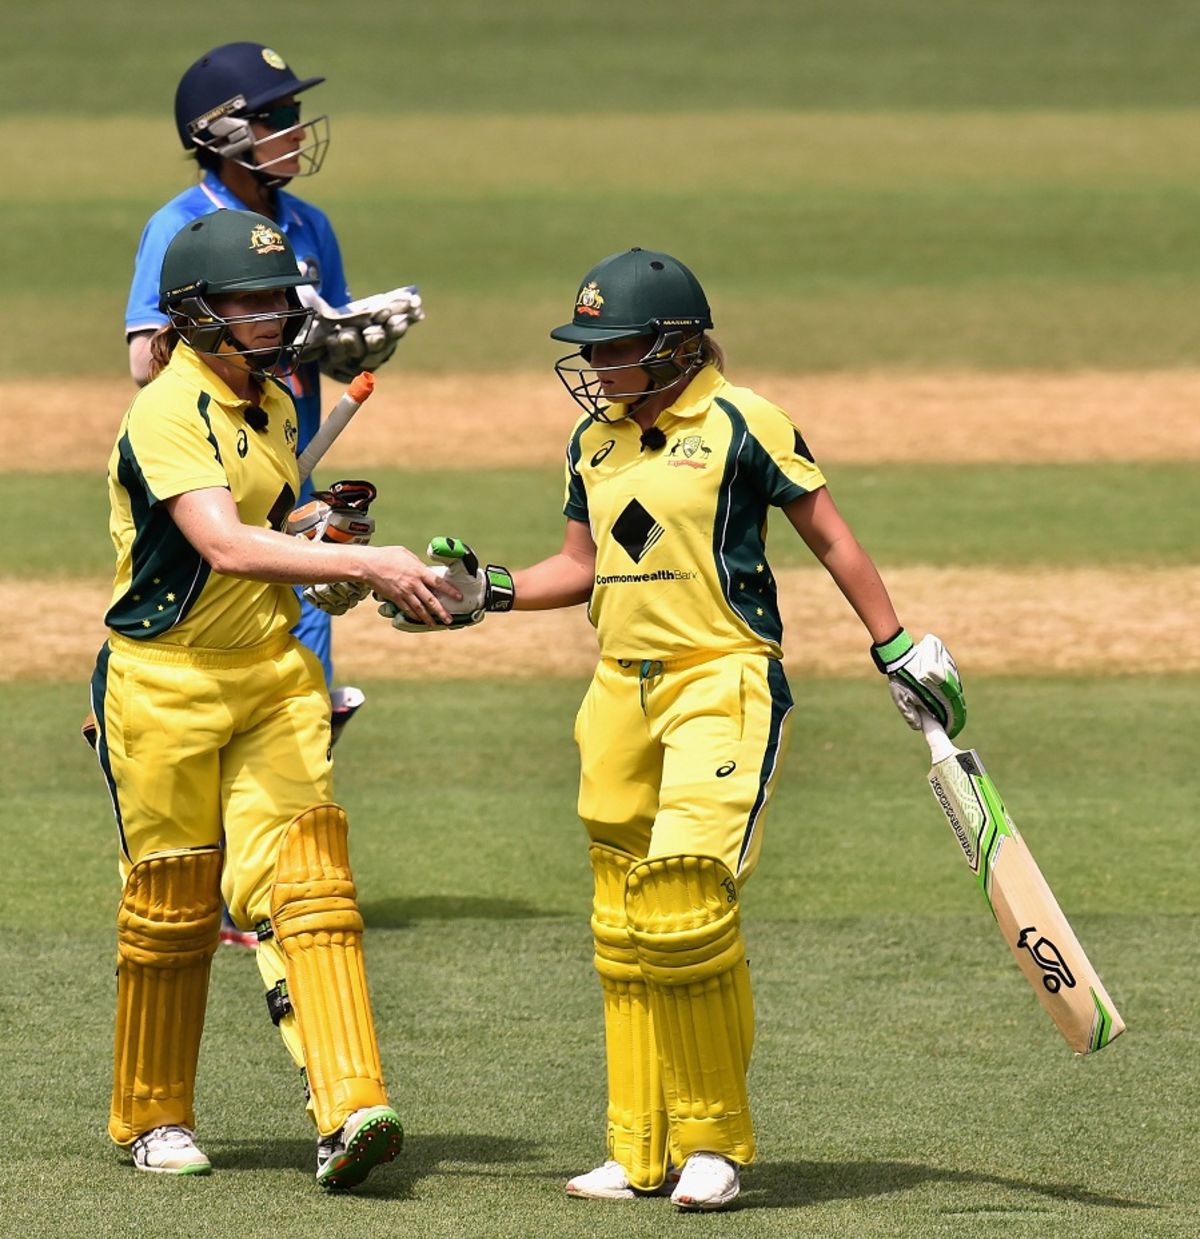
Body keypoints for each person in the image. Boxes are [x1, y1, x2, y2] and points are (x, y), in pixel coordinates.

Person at [382, 248, 966, 1210]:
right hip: (618, 690)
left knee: (687, 903)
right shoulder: (594, 440)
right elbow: (583, 566)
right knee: (621, 923)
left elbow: (831, 534)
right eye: (590, 350)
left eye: (613, 349)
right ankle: (637, 1148)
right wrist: (481, 593)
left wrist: (896, 644)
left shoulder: (743, 420)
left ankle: (714, 1144)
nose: (596, 368)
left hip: (722, 679)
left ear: (677, 346)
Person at [91, 208, 458, 1186]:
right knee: (172, 904)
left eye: (277, 298)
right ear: (199, 315)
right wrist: (373, 564)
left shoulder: (277, 405)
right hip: (163, 681)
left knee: (308, 884)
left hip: (270, 672)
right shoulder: (167, 409)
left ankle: (351, 1109)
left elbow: (270, 519)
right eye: (251, 301)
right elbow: (222, 542)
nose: (276, 316)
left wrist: (331, 533)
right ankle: (150, 1118)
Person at [124, 40, 422, 946]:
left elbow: (317, 333)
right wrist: (288, 344)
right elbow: (147, 359)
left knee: (301, 686)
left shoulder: (313, 225)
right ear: (219, 135)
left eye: (293, 114)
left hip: (291, 478)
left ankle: (281, 885)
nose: (293, 131)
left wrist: (338, 342)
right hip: (215, 478)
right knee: (216, 678)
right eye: (274, 116)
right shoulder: (179, 222)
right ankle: (209, 894)